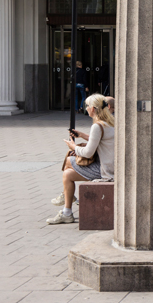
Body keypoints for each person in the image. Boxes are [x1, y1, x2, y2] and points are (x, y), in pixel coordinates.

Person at [47, 93, 114, 224]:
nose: (86, 109)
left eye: (87, 106)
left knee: (68, 161)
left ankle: (66, 196)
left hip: (106, 170)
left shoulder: (97, 126)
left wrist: (73, 146)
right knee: (67, 174)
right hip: (111, 166)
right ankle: (67, 210)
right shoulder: (110, 122)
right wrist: (82, 135)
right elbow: (103, 140)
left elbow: (88, 153)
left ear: (93, 109)